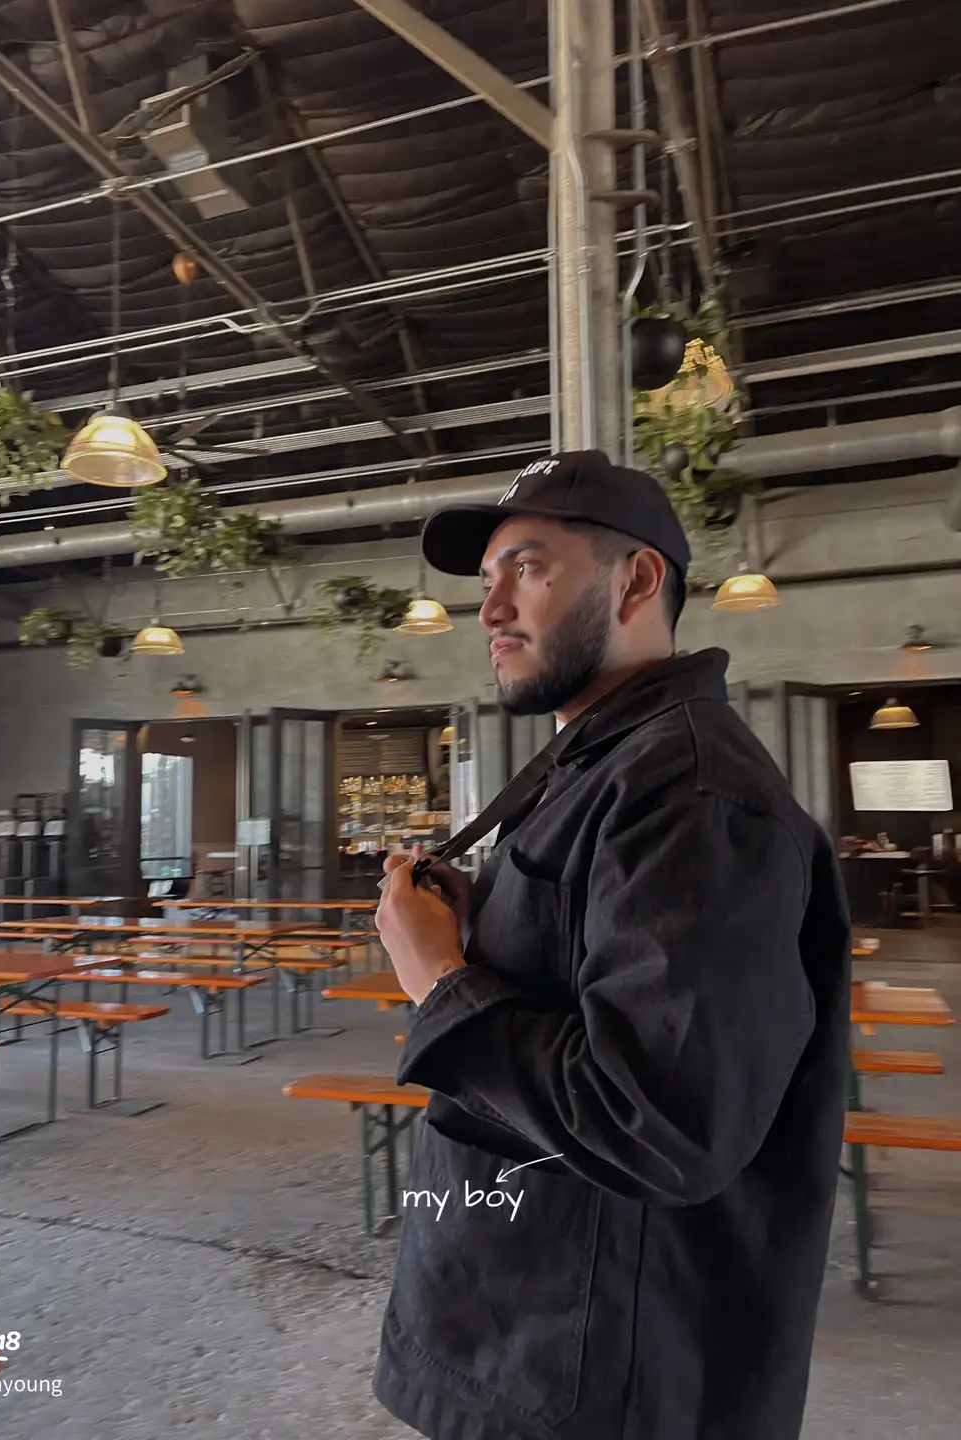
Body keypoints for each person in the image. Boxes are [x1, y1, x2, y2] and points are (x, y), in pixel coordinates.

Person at [372, 450, 851, 1440]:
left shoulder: (693, 793)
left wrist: (439, 980)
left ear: (636, 581)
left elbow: (658, 1122)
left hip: (601, 1371)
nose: (491, 608)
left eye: (529, 568)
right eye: (488, 578)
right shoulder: (606, 761)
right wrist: (488, 924)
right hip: (526, 1327)